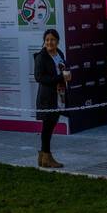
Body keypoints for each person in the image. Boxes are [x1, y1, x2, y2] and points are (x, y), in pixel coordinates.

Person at [34, 27, 67, 169]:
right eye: (47, 40)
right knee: (47, 127)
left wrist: (66, 74)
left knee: (50, 125)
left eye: (52, 40)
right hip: (47, 97)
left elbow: (63, 68)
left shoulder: (59, 53)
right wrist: (61, 77)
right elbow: (39, 77)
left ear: (57, 41)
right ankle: (46, 157)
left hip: (59, 95)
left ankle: (43, 157)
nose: (49, 42)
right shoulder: (41, 56)